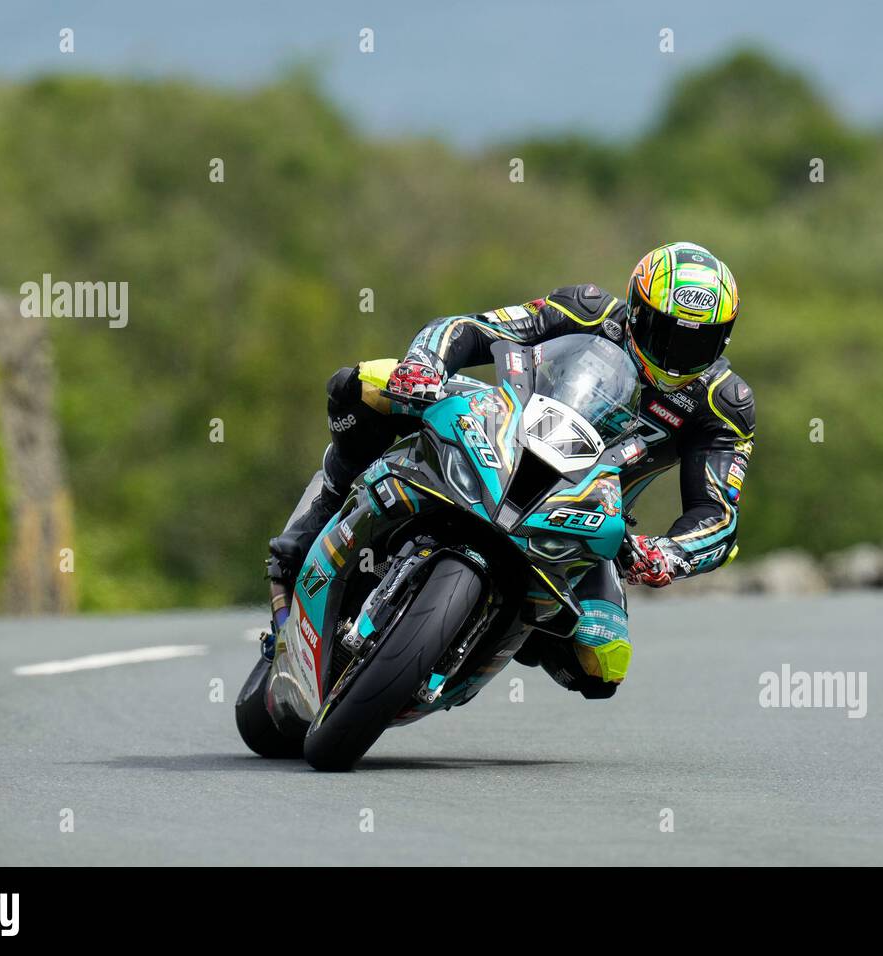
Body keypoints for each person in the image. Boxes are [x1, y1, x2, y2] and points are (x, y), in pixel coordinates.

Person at [264, 241, 755, 698]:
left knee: (602, 666)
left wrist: (668, 553)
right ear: (636, 309)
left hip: (586, 508)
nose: (674, 355)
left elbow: (718, 515)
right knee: (362, 385)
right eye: (664, 332)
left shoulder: (722, 403)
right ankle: (316, 520)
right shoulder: (586, 309)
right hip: (504, 424)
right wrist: (425, 365)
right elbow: (474, 328)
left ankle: (501, 627)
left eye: (697, 343)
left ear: (724, 340)